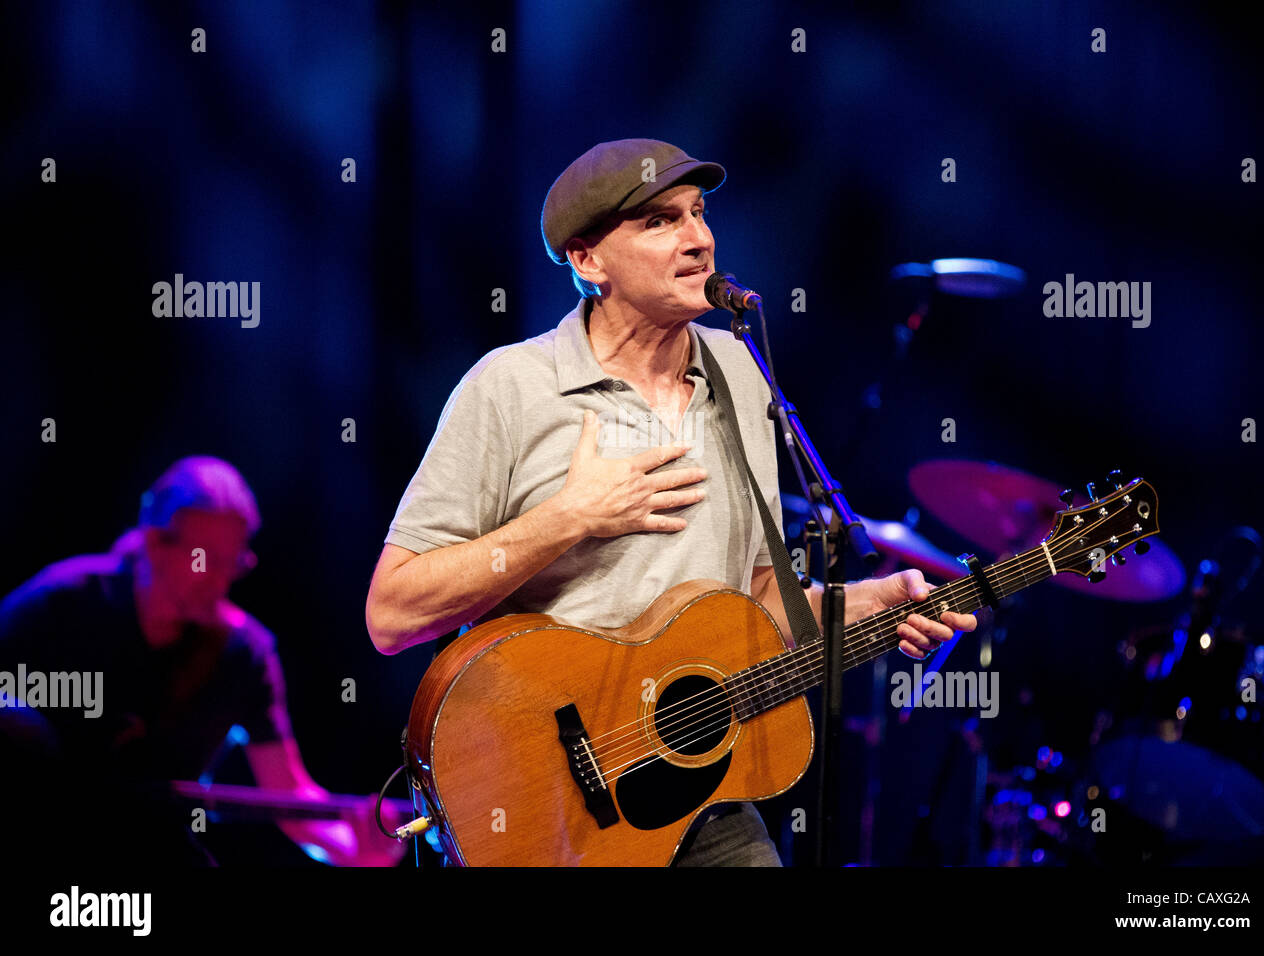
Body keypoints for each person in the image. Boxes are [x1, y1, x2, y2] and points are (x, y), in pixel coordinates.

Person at [365, 138, 978, 866]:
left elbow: (750, 603)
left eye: (698, 212)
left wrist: (861, 605)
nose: (699, 239)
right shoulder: (510, 388)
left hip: (697, 793)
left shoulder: (740, 374)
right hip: (547, 803)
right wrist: (570, 517)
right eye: (659, 221)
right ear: (587, 261)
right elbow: (393, 614)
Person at [0, 456, 405, 866]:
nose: (219, 580)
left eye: (231, 564)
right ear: (154, 541)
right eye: (204, 559)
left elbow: (292, 800)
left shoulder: (244, 653)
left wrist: (360, 851)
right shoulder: (62, 602)